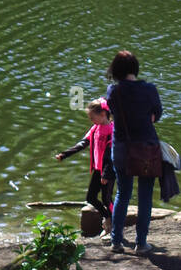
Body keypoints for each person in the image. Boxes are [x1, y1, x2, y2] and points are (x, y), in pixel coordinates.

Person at [106, 49, 164, 255]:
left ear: (116, 71)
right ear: (135, 68)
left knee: (122, 193)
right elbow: (156, 115)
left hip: (121, 148)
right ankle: (141, 243)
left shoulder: (113, 92)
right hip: (146, 148)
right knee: (145, 196)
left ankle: (116, 241)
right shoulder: (149, 89)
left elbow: (113, 113)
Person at [55, 100, 115, 241]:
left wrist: (106, 174)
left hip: (109, 171)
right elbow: (83, 143)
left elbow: (110, 155)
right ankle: (108, 219)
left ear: (102, 114)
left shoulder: (111, 131)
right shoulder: (95, 128)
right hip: (98, 170)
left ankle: (113, 226)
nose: (91, 120)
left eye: (92, 117)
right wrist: (65, 154)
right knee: (90, 198)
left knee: (107, 199)